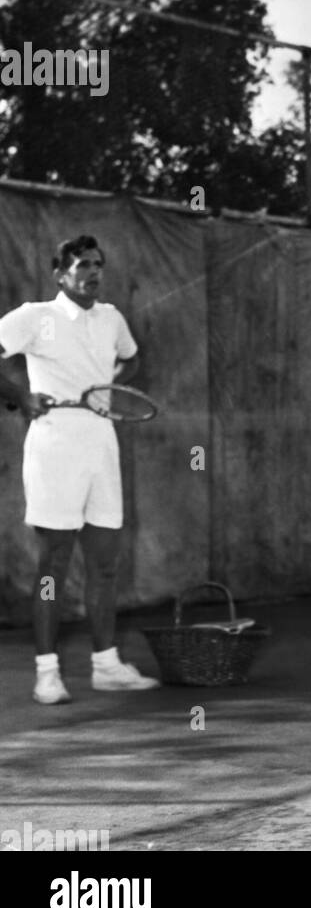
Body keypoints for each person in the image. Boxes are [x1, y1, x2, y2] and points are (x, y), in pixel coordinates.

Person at [0, 234, 160, 704]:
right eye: (82, 265)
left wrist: (107, 388)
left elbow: (132, 359)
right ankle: (47, 672)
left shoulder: (111, 319)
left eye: (98, 264)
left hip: (101, 442)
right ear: (59, 274)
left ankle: (107, 665)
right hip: (54, 445)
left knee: (105, 564)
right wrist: (22, 396)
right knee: (54, 564)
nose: (93, 272)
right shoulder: (35, 317)